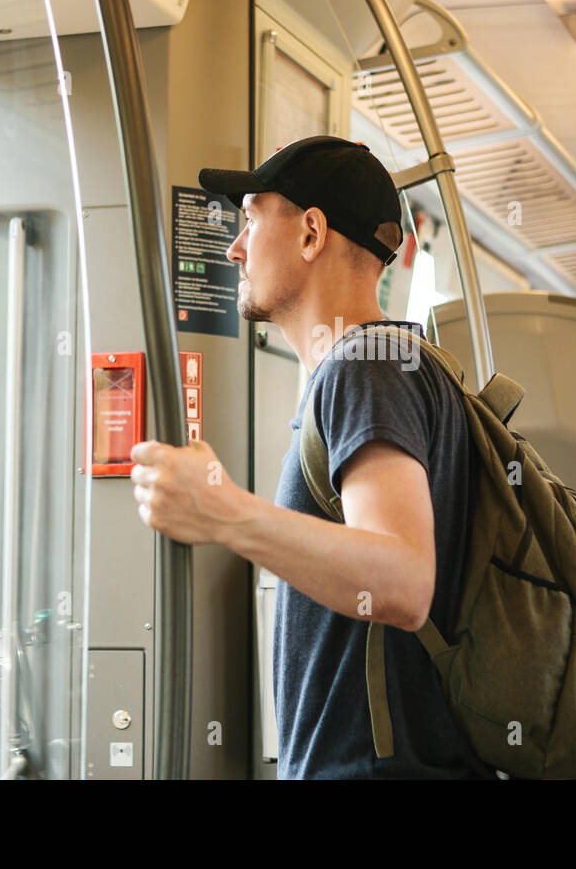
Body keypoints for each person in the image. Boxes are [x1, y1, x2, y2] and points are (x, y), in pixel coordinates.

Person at [129, 135, 493, 778]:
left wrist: (220, 511)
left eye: (249, 220)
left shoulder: (364, 368)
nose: (235, 249)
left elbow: (404, 583)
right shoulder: (400, 366)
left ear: (311, 233)